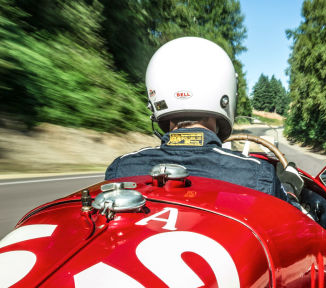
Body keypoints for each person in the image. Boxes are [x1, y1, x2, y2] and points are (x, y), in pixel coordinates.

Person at [105, 37, 304, 203]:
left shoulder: (120, 169)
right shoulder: (259, 175)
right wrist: (289, 187)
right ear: (225, 96)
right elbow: (298, 228)